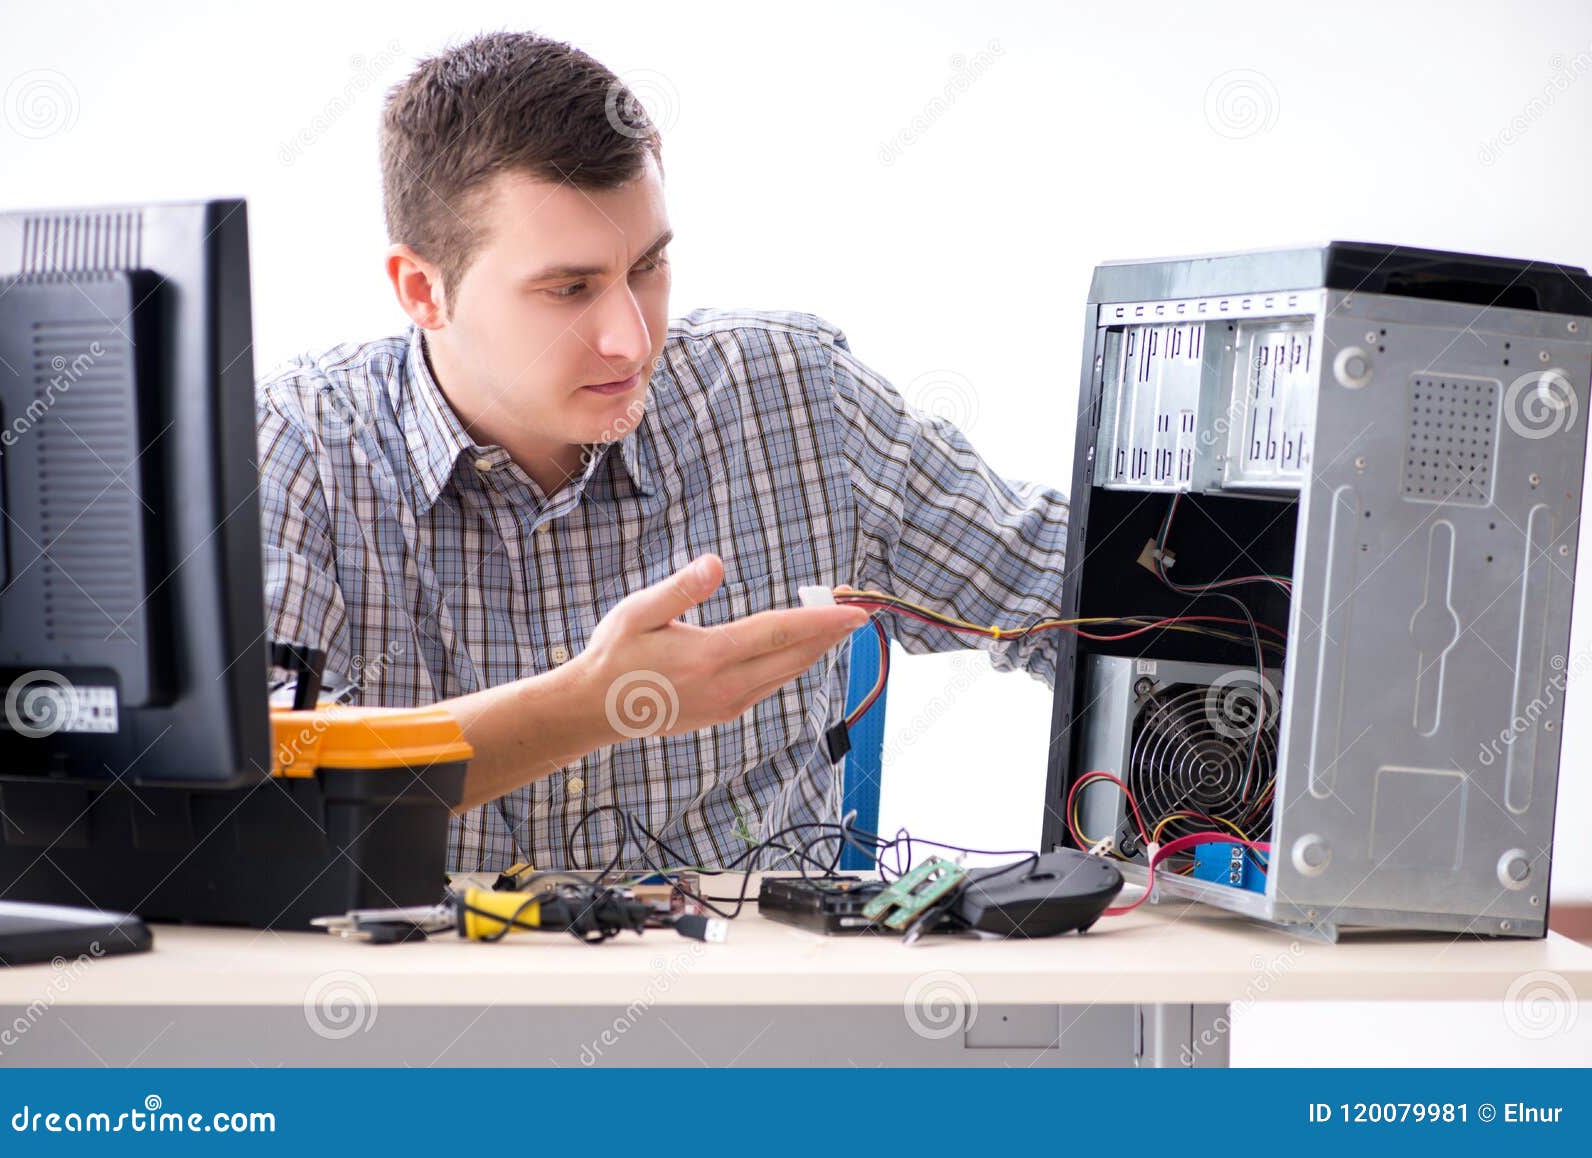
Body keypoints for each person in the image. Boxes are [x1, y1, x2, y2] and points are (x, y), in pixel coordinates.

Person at [257, 31, 1069, 873]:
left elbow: (1080, 602)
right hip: (418, 962)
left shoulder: (796, 398)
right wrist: (592, 705)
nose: (632, 339)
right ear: (422, 289)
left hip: (752, 961)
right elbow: (257, 797)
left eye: (648, 267)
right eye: (570, 289)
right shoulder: (300, 445)